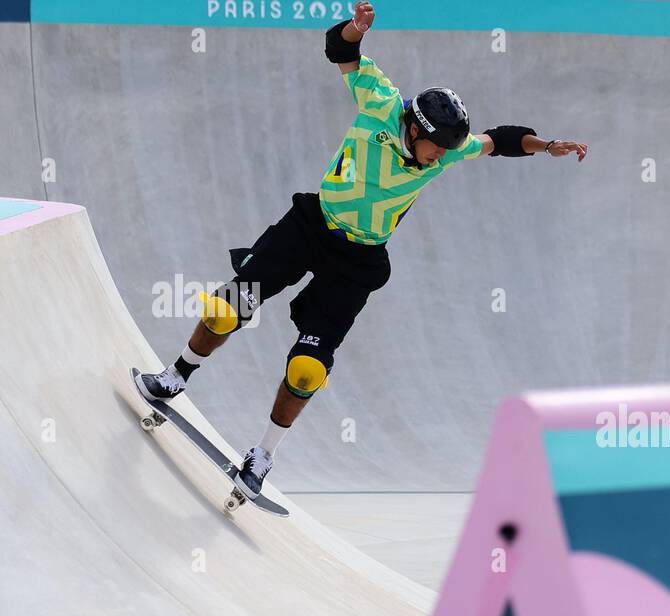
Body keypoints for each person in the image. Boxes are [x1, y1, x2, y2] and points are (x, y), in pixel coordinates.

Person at [136, 1, 587, 499]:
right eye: (435, 147)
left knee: (307, 368)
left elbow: (498, 140)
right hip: (309, 226)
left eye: (445, 151)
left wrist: (547, 146)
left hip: (357, 264)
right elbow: (340, 52)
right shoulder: (382, 104)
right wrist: (355, 28)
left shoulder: (449, 149)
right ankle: (175, 376)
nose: (440, 158)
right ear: (413, 129)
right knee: (226, 309)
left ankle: (262, 456)